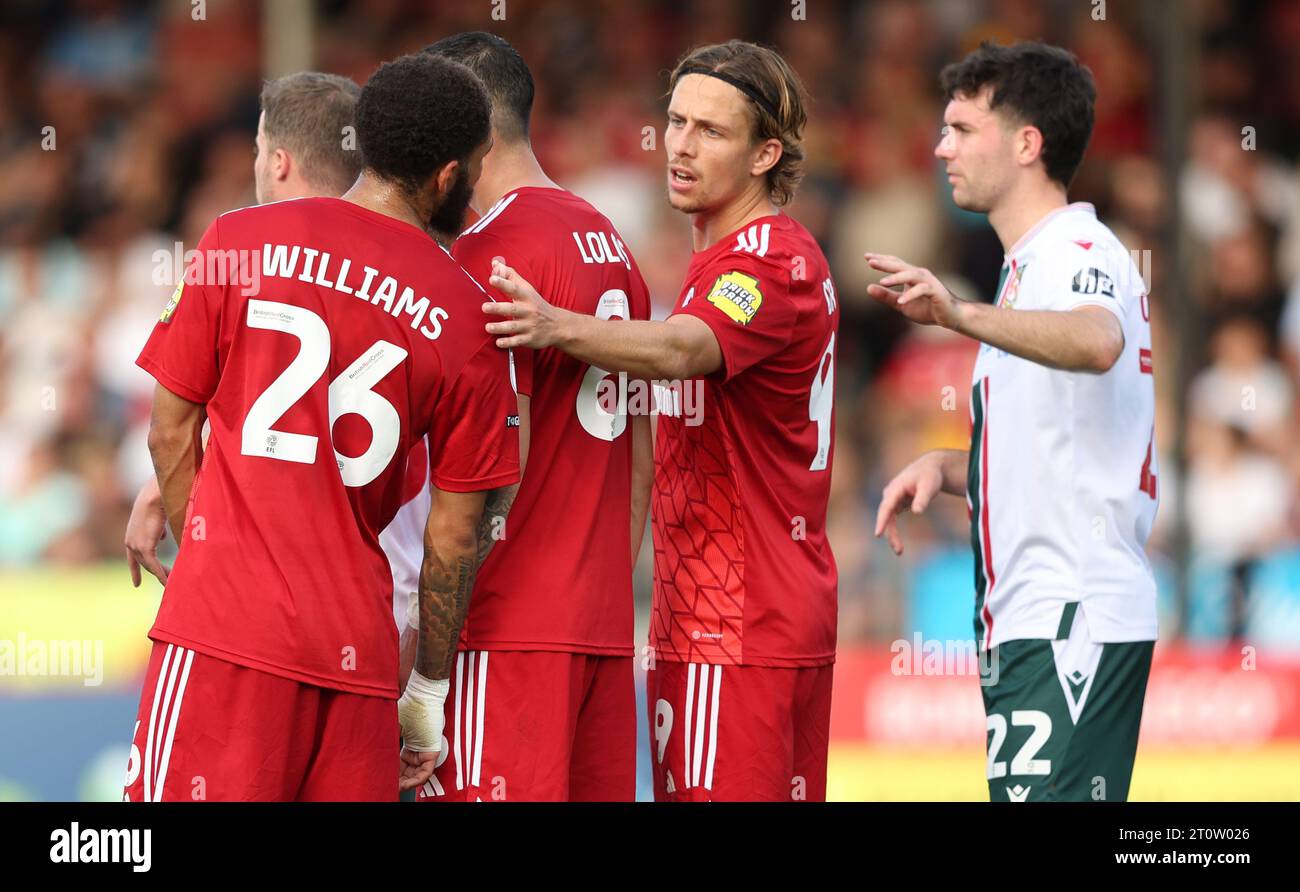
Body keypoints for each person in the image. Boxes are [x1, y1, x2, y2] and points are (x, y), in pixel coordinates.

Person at [122, 53, 519, 801]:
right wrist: (427, 693)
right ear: (447, 176)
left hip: (226, 637)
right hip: (356, 659)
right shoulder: (470, 317)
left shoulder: (235, 240)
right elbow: (456, 538)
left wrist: (208, 550)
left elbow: (169, 431)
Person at [484, 40, 840, 802]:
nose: (679, 145)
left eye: (710, 131)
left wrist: (554, 325)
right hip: (760, 622)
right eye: (675, 121)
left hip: (732, 627)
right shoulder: (730, 262)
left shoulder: (768, 261)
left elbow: (684, 349)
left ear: (764, 154)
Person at [870, 41, 1158, 802]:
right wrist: (950, 466)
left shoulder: (1077, 247)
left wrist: (957, 315)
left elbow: (1098, 342)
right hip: (1030, 618)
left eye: (962, 129)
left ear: (1028, 143)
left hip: (1071, 614)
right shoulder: (1028, 269)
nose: (941, 147)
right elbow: (1059, 447)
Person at [400, 32, 652, 802]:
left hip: (506, 637)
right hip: (600, 631)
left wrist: (429, 669)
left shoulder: (488, 256)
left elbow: (493, 464)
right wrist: (605, 588)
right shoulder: (614, 245)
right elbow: (643, 450)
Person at [123, 71, 364, 588]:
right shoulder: (406, 267)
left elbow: (169, 431)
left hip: (251, 578)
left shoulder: (235, 244)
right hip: (372, 580)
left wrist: (196, 557)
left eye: (258, 148)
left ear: (278, 161)